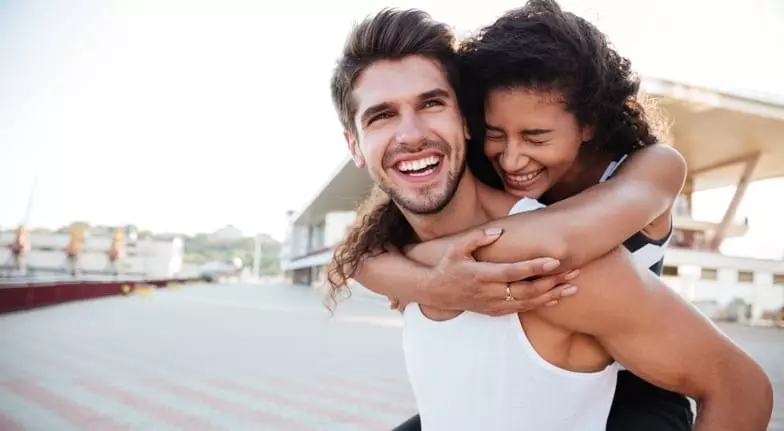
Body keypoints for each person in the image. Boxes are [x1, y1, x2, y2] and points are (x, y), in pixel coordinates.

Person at [327, 5, 773, 431]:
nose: (514, 157)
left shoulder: (643, 177)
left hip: (642, 386)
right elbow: (356, 252)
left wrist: (422, 261)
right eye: (382, 115)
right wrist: (427, 281)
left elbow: (557, 242)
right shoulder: (444, 215)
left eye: (431, 104)